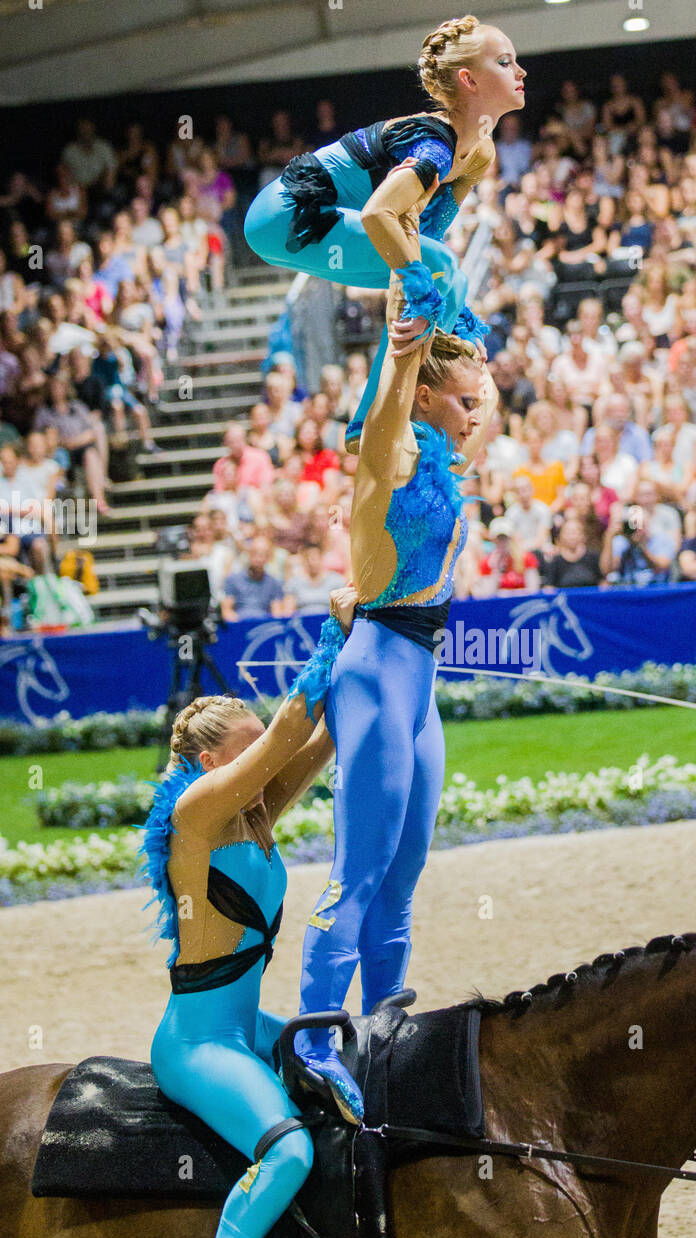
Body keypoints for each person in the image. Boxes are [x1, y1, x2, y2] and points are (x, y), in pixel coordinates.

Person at [288, 254, 498, 1121]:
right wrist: (403, 340)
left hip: (420, 677)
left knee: (403, 873)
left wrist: (462, 330)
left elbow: (482, 395)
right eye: (463, 400)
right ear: (423, 398)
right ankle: (312, 1040)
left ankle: (384, 1029)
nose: (476, 412)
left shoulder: (446, 454)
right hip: (376, 669)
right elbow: (388, 406)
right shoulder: (391, 453)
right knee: (359, 872)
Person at [140, 673, 341, 1238]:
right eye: (247, 751)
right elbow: (285, 737)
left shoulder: (253, 813)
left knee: (354, 1064)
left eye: (259, 746)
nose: (262, 762)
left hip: (246, 1027)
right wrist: (332, 640)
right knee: (289, 1152)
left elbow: (322, 737)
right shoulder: (194, 816)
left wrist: (376, 651)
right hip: (196, 1047)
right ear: (209, 764)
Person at [244, 16, 524, 450]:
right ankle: (389, 414)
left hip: (307, 220)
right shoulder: (436, 144)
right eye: (505, 62)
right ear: (468, 80)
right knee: (441, 269)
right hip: (286, 213)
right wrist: (423, 288)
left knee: (449, 279)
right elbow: (379, 214)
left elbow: (428, 232)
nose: (521, 71)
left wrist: (451, 316)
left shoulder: (479, 152)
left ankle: (371, 423)